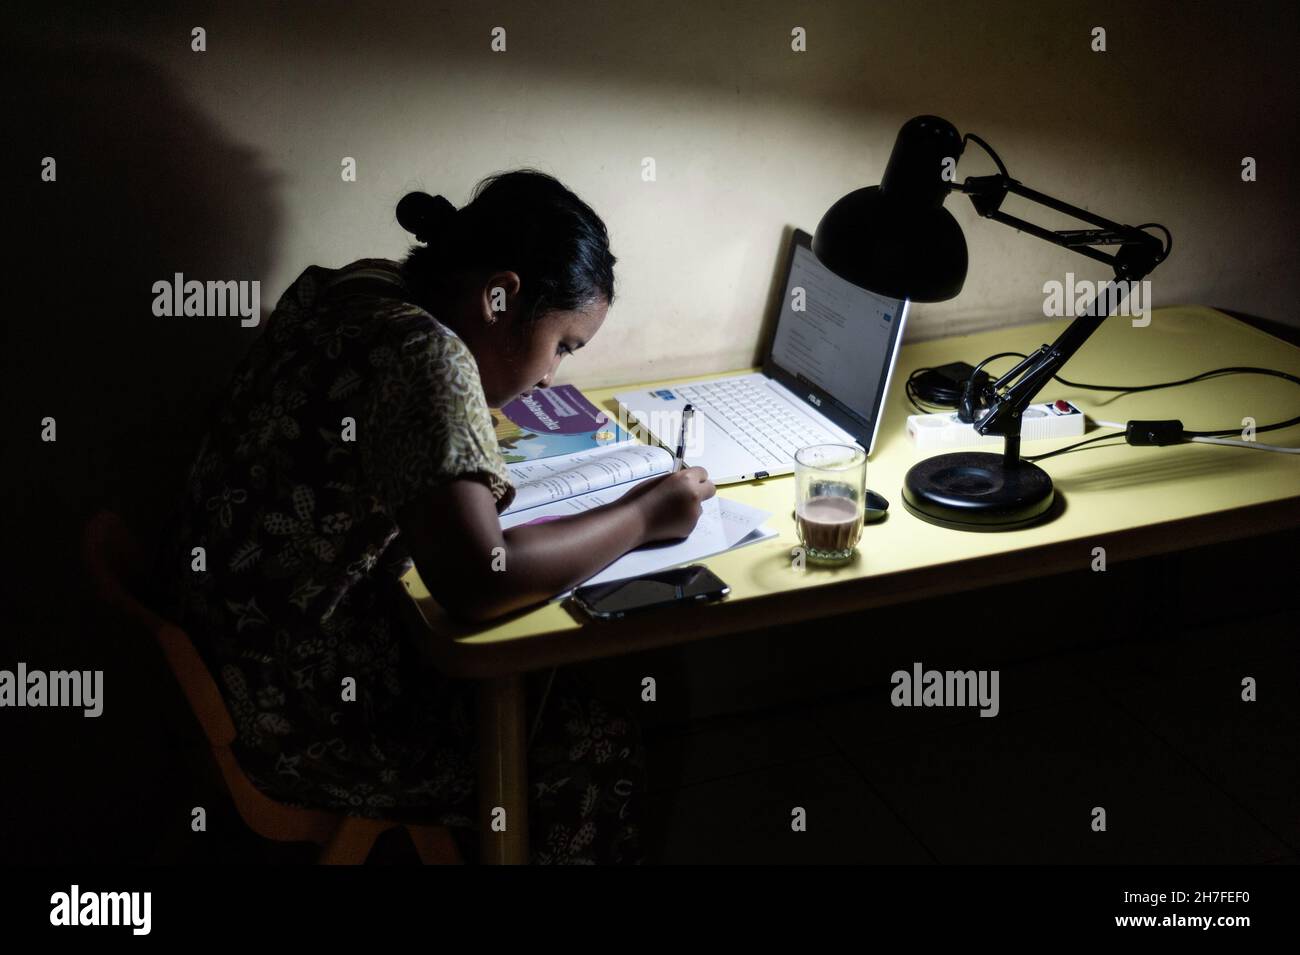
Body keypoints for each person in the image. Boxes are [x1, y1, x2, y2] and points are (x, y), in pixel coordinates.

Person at [155, 169, 716, 864]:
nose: (551, 376)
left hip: (228, 657)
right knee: (595, 748)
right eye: (564, 344)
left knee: (553, 690)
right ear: (499, 296)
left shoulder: (358, 286)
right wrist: (644, 511)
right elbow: (481, 580)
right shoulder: (425, 354)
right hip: (298, 720)